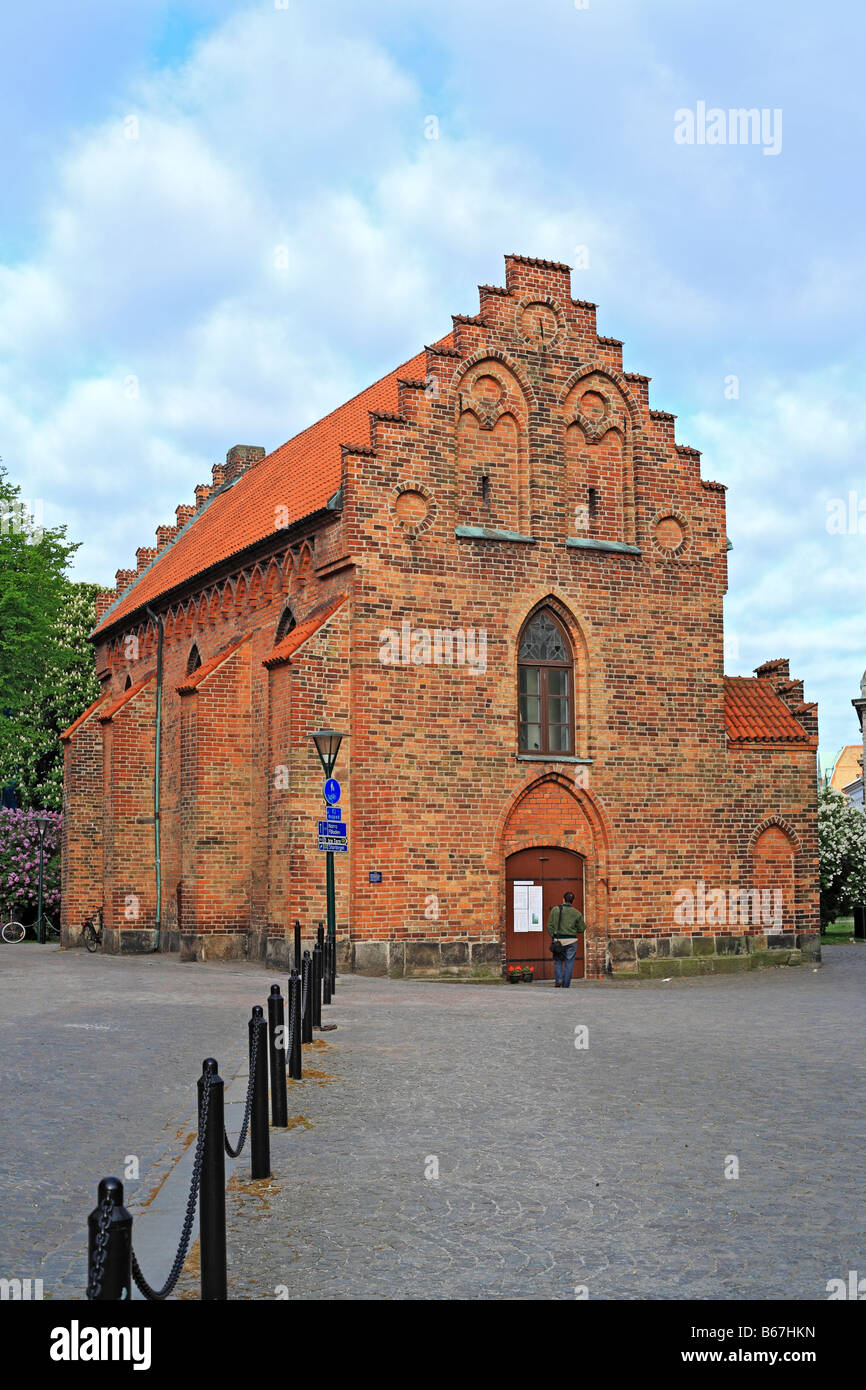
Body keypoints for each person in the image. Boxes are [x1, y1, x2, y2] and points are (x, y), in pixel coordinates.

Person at [546, 891, 586, 988]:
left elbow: (549, 926)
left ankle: (559, 979)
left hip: (558, 940)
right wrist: (573, 930)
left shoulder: (555, 910)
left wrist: (554, 936)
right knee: (569, 963)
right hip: (572, 941)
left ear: (563, 899)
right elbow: (582, 928)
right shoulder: (577, 913)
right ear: (572, 901)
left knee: (558, 961)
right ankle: (566, 985)